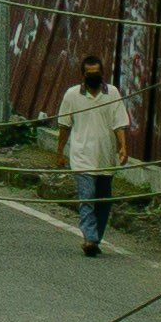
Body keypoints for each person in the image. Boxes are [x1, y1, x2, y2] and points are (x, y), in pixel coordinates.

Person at [58, 63, 132, 254]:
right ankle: (89, 238)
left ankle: (95, 238)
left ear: (102, 73)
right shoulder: (72, 95)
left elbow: (119, 124)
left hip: (105, 157)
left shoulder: (112, 93)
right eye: (89, 73)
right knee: (87, 197)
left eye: (96, 73)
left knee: (103, 202)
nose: (93, 76)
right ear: (82, 74)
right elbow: (64, 126)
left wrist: (123, 147)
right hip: (82, 157)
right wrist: (59, 152)